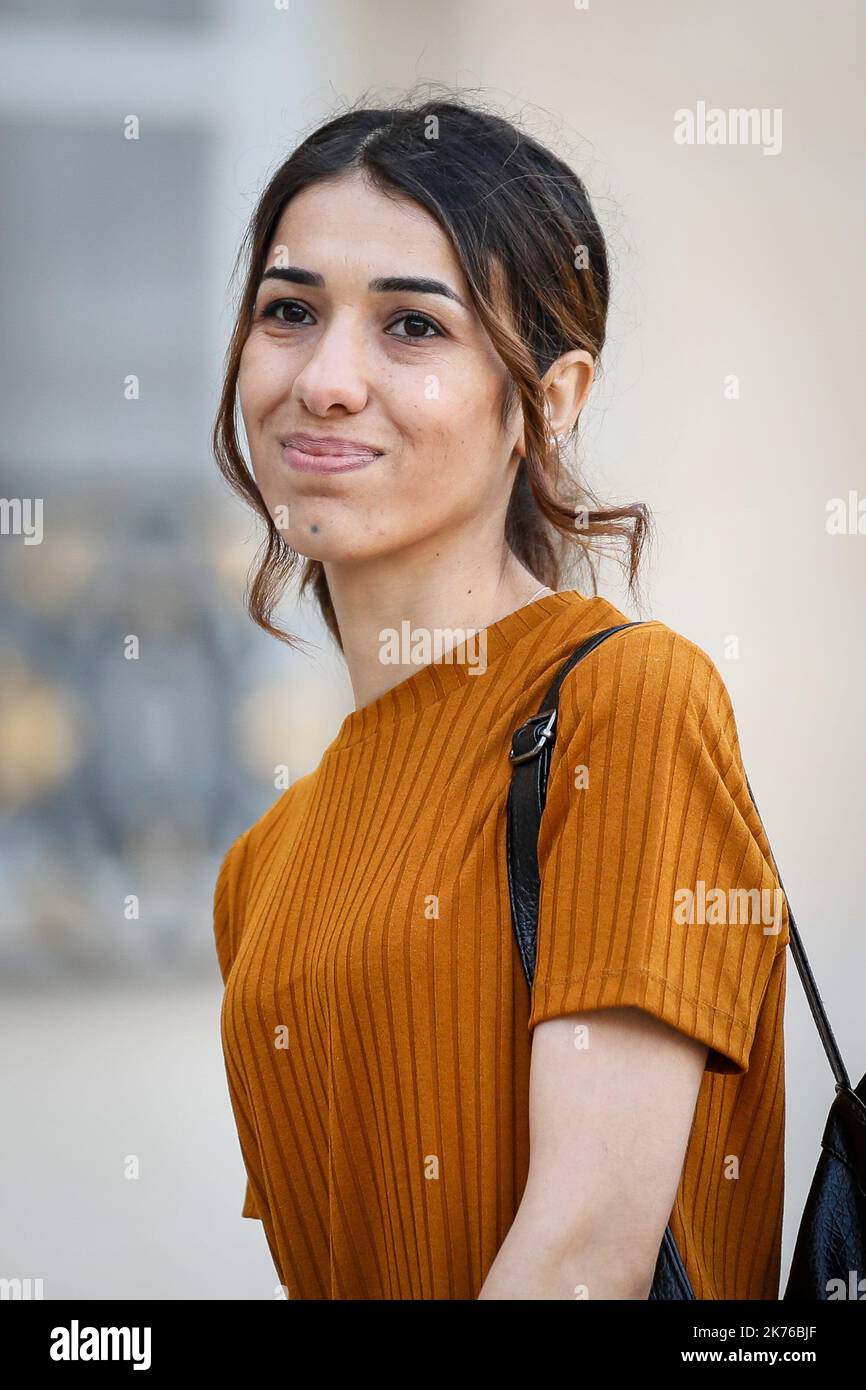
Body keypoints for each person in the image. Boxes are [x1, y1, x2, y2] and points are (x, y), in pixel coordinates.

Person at [211, 93, 788, 1300]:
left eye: (411, 327)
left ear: (553, 396)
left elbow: (583, 1261)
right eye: (289, 310)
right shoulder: (261, 867)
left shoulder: (625, 704)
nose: (323, 379)